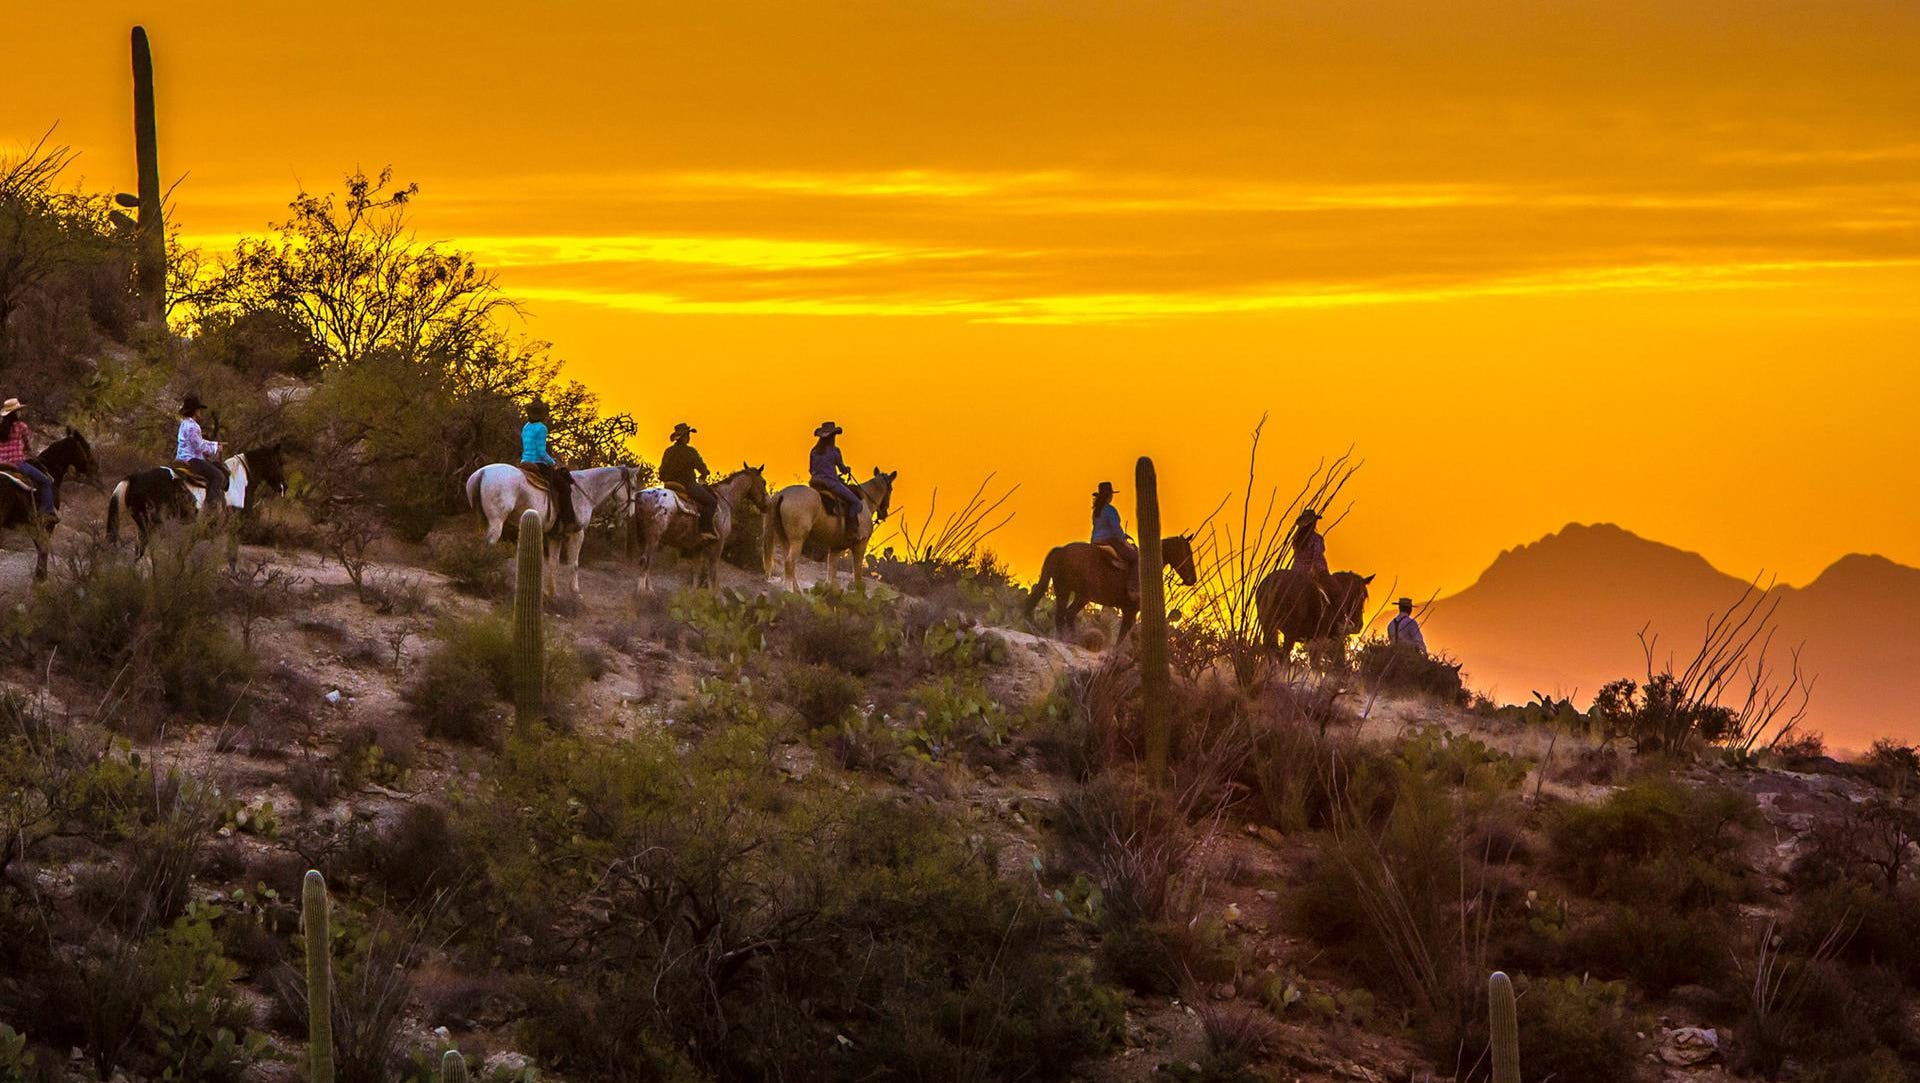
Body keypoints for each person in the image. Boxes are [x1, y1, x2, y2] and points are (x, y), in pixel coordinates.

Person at [521, 400, 576, 529]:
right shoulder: (542, 427)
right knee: (564, 486)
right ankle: (567, 521)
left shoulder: (526, 426)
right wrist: (553, 463)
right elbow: (541, 451)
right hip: (538, 464)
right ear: (543, 414)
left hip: (524, 462)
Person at [0, 398, 56, 524]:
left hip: (1, 465)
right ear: (16, 412)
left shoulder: (0, 428)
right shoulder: (21, 426)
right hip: (17, 463)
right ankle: (47, 512)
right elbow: (27, 446)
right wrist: (25, 450)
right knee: (46, 482)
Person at [659, 421, 718, 540]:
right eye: (688, 435)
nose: (689, 437)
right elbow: (701, 467)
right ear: (685, 437)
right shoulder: (690, 452)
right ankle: (705, 530)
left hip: (669, 485)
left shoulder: (668, 451)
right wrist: (704, 473)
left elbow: (661, 472)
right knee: (711, 502)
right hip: (687, 485)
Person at [176, 395, 229, 511]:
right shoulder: (193, 426)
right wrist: (216, 449)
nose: (200, 412)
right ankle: (210, 508)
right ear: (195, 411)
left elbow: (199, 441)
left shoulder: (184, 423)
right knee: (218, 476)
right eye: (199, 410)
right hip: (193, 460)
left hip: (182, 458)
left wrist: (215, 444)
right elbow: (199, 447)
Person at [1090, 480, 1139, 601]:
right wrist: (1124, 542)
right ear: (1109, 496)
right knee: (1136, 558)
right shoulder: (1110, 510)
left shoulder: (1097, 511)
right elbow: (1116, 529)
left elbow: (1096, 527)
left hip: (1096, 541)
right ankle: (1132, 588)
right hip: (1110, 541)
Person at [808, 421, 863, 520]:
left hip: (814, 481)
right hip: (830, 483)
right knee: (856, 503)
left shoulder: (814, 451)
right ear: (833, 436)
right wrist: (847, 470)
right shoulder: (834, 451)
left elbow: (811, 470)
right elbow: (842, 469)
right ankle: (852, 530)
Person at [1291, 508, 1329, 578]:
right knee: (1334, 588)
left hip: (1295, 570)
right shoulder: (1317, 538)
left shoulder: (1297, 538)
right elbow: (1317, 557)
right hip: (1312, 571)